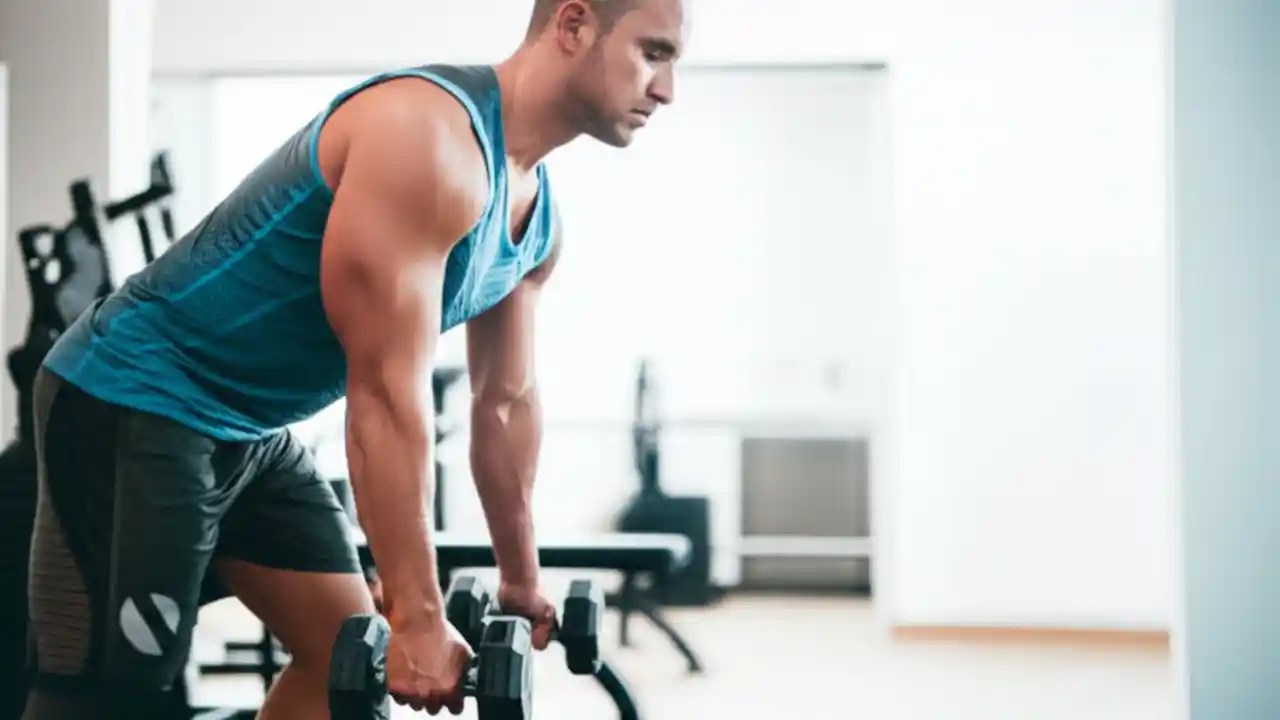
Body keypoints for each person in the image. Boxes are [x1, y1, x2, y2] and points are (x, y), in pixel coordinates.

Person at [21, 0, 687, 717]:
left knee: (344, 665)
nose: (666, 90)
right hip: (132, 397)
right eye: (653, 54)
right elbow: (385, 395)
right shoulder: (424, 138)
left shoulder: (535, 219)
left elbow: (505, 401)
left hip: (247, 428)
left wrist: (519, 578)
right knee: (116, 694)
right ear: (574, 25)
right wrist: (419, 619)